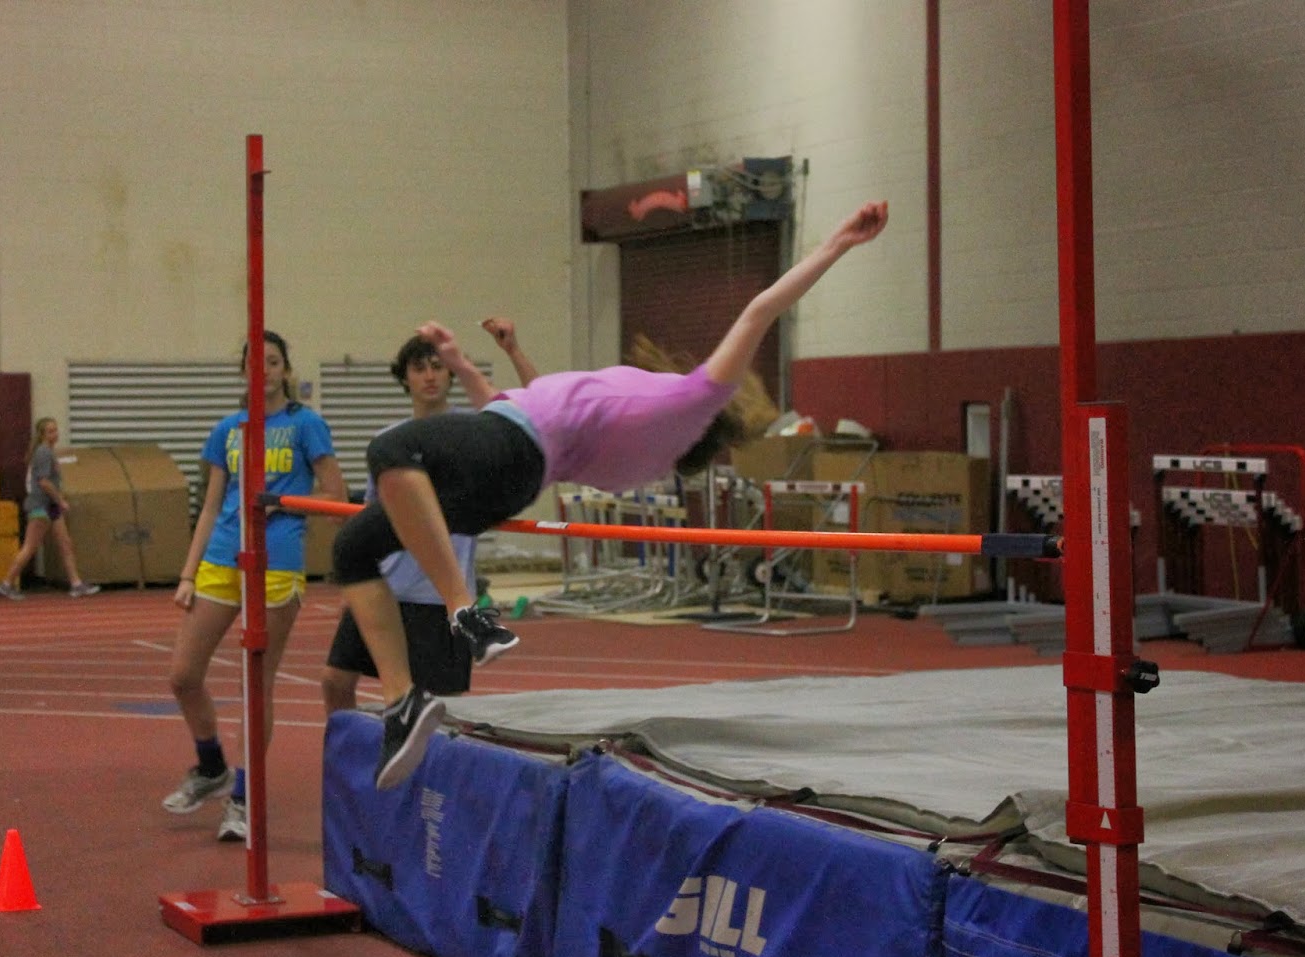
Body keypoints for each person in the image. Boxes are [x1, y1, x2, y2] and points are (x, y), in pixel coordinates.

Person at [332, 200, 890, 789]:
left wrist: (837, 243)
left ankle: (466, 614)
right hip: (505, 476)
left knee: (393, 449)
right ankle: (402, 702)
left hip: (506, 452)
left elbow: (761, 310)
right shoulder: (638, 448)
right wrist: (461, 363)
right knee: (353, 547)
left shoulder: (695, 398)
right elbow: (528, 405)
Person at [163, 330, 348, 842]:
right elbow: (212, 504)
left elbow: (335, 493)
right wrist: (187, 572)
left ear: (287, 369)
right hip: (222, 557)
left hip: (276, 563)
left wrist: (287, 504)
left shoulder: (307, 425)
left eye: (273, 361)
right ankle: (211, 768)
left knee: (254, 686)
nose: (263, 370)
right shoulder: (228, 429)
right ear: (243, 371)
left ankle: (243, 798)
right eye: (254, 362)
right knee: (183, 675)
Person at [320, 322, 539, 714]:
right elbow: (372, 517)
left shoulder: (476, 433)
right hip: (386, 587)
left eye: (437, 366)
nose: (429, 376)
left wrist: (513, 351)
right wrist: (355, 584)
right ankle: (350, 769)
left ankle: (427, 776)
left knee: (437, 712)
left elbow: (540, 411)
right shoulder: (388, 441)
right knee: (334, 683)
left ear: (452, 372)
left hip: (438, 599)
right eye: (419, 368)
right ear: (405, 377)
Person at [0, 417, 101, 599]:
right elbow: (44, 482)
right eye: (51, 431)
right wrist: (60, 500)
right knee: (30, 546)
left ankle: (76, 583)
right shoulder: (44, 453)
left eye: (56, 429)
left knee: (65, 543)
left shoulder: (48, 452)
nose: (56, 433)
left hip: (50, 505)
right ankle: (6, 583)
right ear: (42, 434)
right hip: (41, 505)